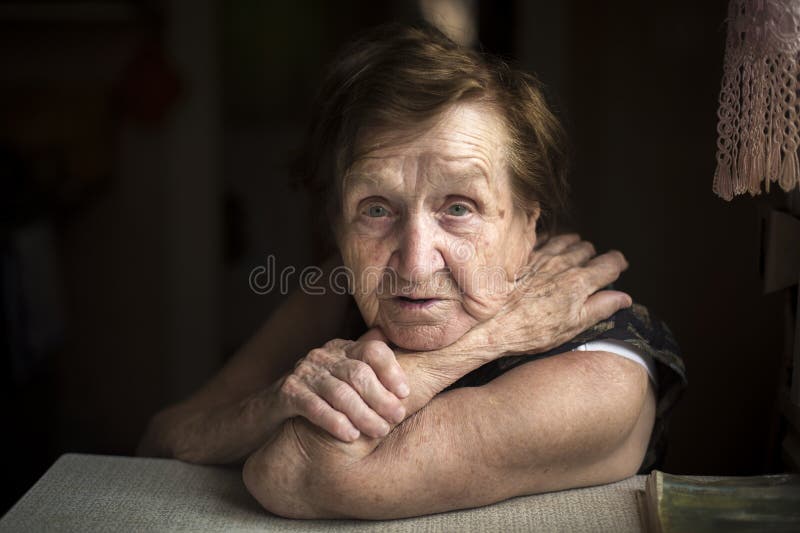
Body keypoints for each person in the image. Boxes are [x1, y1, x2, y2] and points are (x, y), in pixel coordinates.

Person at [137, 24, 687, 519]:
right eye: (376, 208)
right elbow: (164, 439)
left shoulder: (601, 376)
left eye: (459, 207)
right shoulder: (338, 288)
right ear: (337, 224)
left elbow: (297, 469)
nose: (415, 262)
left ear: (528, 224)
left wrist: (493, 337)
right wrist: (281, 397)